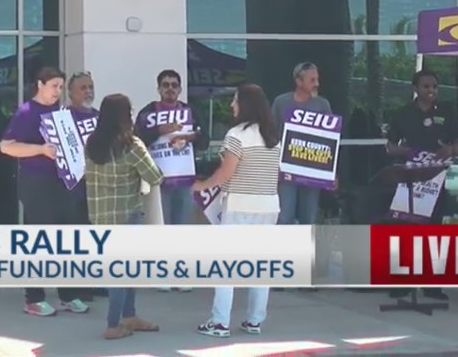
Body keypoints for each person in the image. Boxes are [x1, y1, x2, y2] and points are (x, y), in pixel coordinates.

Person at [191, 83, 283, 338]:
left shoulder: (236, 135)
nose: (232, 105)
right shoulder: (273, 137)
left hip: (240, 206)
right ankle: (254, 320)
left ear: (245, 104)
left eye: (235, 100)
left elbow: (226, 172)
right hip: (269, 207)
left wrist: (202, 185)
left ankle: (220, 322)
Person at [0, 66, 89, 317]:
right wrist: (40, 150)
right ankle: (34, 297)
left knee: (67, 239)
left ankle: (68, 295)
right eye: (53, 86)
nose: (57, 91)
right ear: (40, 84)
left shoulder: (62, 112)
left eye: (60, 87)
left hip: (64, 181)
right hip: (37, 182)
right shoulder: (27, 112)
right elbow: (7, 146)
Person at [84, 93, 164, 340]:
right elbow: (155, 176)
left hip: (99, 216)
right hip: (126, 215)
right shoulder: (131, 144)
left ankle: (129, 316)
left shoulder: (92, 143)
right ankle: (113, 324)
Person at [384, 68, 458, 300]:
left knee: (434, 230)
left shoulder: (447, 112)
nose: (431, 91)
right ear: (416, 89)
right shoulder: (403, 113)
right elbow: (390, 147)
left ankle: (432, 285)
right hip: (410, 179)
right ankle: (401, 283)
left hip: (437, 179)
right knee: (405, 229)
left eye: (435, 87)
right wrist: (407, 151)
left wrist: (450, 150)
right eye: (426, 86)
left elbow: (457, 145)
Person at [135, 69, 206, 293]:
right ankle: (161, 274)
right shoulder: (148, 112)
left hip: (184, 178)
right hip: (158, 180)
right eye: (165, 85)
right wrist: (160, 130)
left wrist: (190, 137)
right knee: (160, 229)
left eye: (174, 85)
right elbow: (136, 140)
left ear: (180, 88)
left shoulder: (190, 111)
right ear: (158, 89)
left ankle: (181, 274)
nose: (170, 89)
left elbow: (204, 140)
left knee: (182, 229)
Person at [273, 63, 331, 228]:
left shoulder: (322, 105)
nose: (317, 84)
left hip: (313, 170)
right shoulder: (281, 102)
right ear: (299, 81)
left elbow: (330, 140)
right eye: (312, 80)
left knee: (309, 218)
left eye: (317, 79)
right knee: (284, 217)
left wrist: (332, 173)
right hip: (286, 170)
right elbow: (272, 134)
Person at [66, 71, 107, 300]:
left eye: (90, 87)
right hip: (74, 187)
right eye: (83, 88)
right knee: (77, 234)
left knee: (96, 235)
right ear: (71, 93)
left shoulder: (100, 118)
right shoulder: (63, 118)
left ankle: (94, 281)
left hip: (98, 185)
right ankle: (78, 286)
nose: (88, 91)